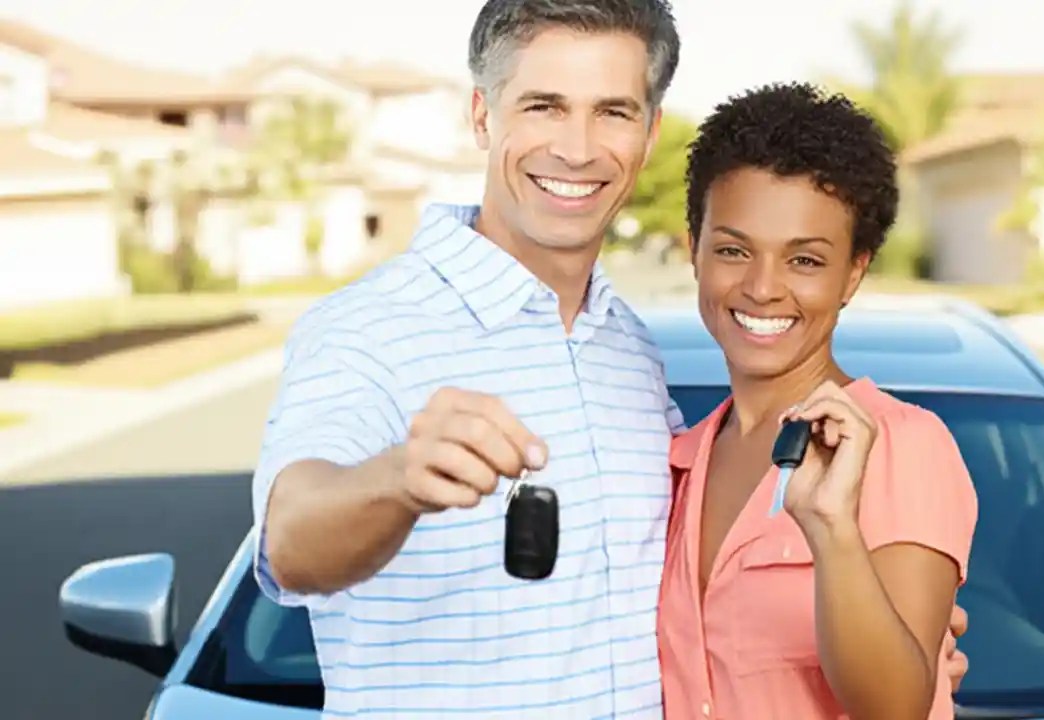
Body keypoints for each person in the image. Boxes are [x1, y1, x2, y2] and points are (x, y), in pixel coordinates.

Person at [250, 1, 970, 717]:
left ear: (649, 133)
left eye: (613, 112)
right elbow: (290, 543)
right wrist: (399, 479)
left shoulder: (628, 351)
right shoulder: (366, 328)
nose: (577, 148)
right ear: (481, 116)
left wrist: (903, 645)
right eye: (544, 106)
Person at [656, 82, 979, 720]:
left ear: (853, 273)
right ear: (694, 249)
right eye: (733, 250)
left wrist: (833, 530)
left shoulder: (901, 447)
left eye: (804, 260)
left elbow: (898, 709)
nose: (762, 288)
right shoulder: (676, 466)